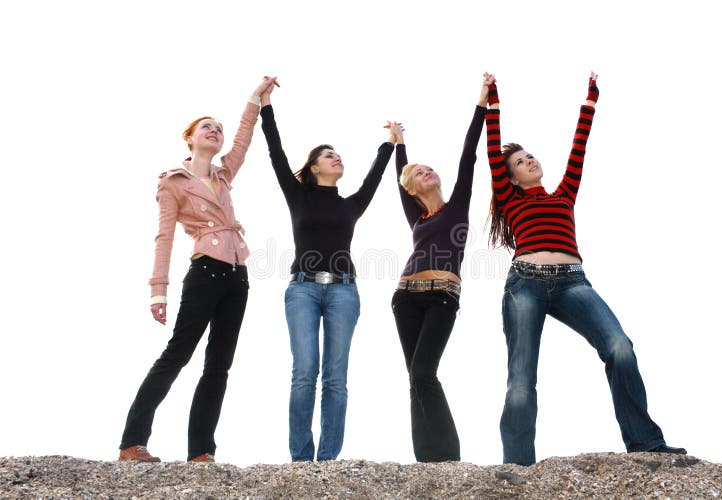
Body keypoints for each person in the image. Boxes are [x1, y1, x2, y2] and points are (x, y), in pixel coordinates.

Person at [485, 73, 686, 466]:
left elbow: (580, 145)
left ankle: (645, 443)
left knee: (620, 348)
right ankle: (518, 467)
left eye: (531, 156)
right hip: (524, 284)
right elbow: (493, 149)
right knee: (522, 380)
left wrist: (589, 103)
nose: (530, 161)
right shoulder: (510, 197)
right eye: (521, 161)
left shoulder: (563, 194)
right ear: (510, 177)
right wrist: (494, 104)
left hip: (572, 283)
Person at [119, 77, 274, 463]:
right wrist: (158, 289)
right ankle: (132, 442)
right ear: (190, 138)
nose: (216, 132)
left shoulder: (224, 174)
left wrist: (255, 99)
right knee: (177, 354)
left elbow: (243, 140)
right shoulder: (173, 183)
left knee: (219, 365)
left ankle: (201, 451)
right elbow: (164, 238)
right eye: (208, 126)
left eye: (218, 128)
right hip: (205, 271)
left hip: (238, 275)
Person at [259, 77, 397, 462]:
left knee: (335, 379)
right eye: (328, 154)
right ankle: (302, 461)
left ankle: (328, 461)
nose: (337, 158)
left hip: (343, 291)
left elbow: (374, 179)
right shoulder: (297, 194)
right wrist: (265, 104)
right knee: (305, 372)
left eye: (338, 154)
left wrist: (391, 143)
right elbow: (275, 154)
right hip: (302, 289)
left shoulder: (350, 205)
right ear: (314, 166)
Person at [387, 75, 491, 462]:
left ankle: (448, 457)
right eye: (418, 172)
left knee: (425, 373)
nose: (426, 172)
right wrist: (400, 146)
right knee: (415, 378)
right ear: (411, 188)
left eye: (429, 168)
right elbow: (399, 183)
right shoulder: (417, 215)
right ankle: (425, 460)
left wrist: (480, 104)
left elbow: (469, 155)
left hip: (443, 296)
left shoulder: (456, 206)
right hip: (406, 296)